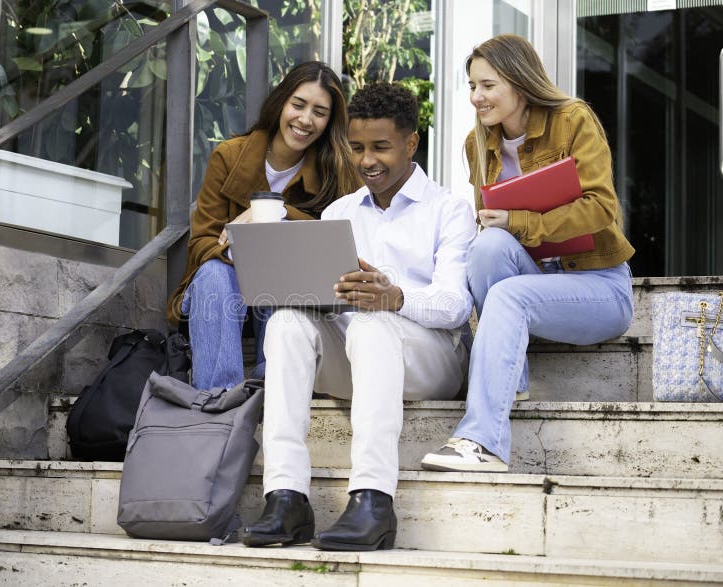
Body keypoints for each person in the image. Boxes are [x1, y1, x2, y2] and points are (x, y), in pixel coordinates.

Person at [241, 83, 476, 551]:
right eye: (357, 148)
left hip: (431, 359)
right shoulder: (340, 211)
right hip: (358, 353)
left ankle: (373, 499)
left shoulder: (449, 210)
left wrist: (395, 297)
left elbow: (455, 306)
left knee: (371, 323)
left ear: (411, 143)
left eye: (381, 148)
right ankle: (285, 497)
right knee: (287, 321)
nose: (367, 160)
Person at [421, 34, 635, 473]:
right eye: (472, 85)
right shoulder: (476, 143)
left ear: (519, 83)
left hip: (599, 285)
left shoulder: (572, 119)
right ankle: (509, 383)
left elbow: (601, 206)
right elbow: (490, 227)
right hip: (536, 281)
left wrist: (522, 222)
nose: (476, 97)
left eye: (487, 85)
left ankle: (483, 441)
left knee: (507, 292)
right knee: (486, 246)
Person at [166, 61, 361, 390]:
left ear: (330, 121)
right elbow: (200, 244)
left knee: (279, 267)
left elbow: (343, 244)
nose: (304, 120)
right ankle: (219, 400)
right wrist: (246, 249)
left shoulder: (338, 171)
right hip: (221, 291)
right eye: (298, 105)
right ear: (281, 102)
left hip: (290, 296)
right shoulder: (229, 156)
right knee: (216, 273)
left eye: (319, 112)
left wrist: (276, 212)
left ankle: (274, 381)